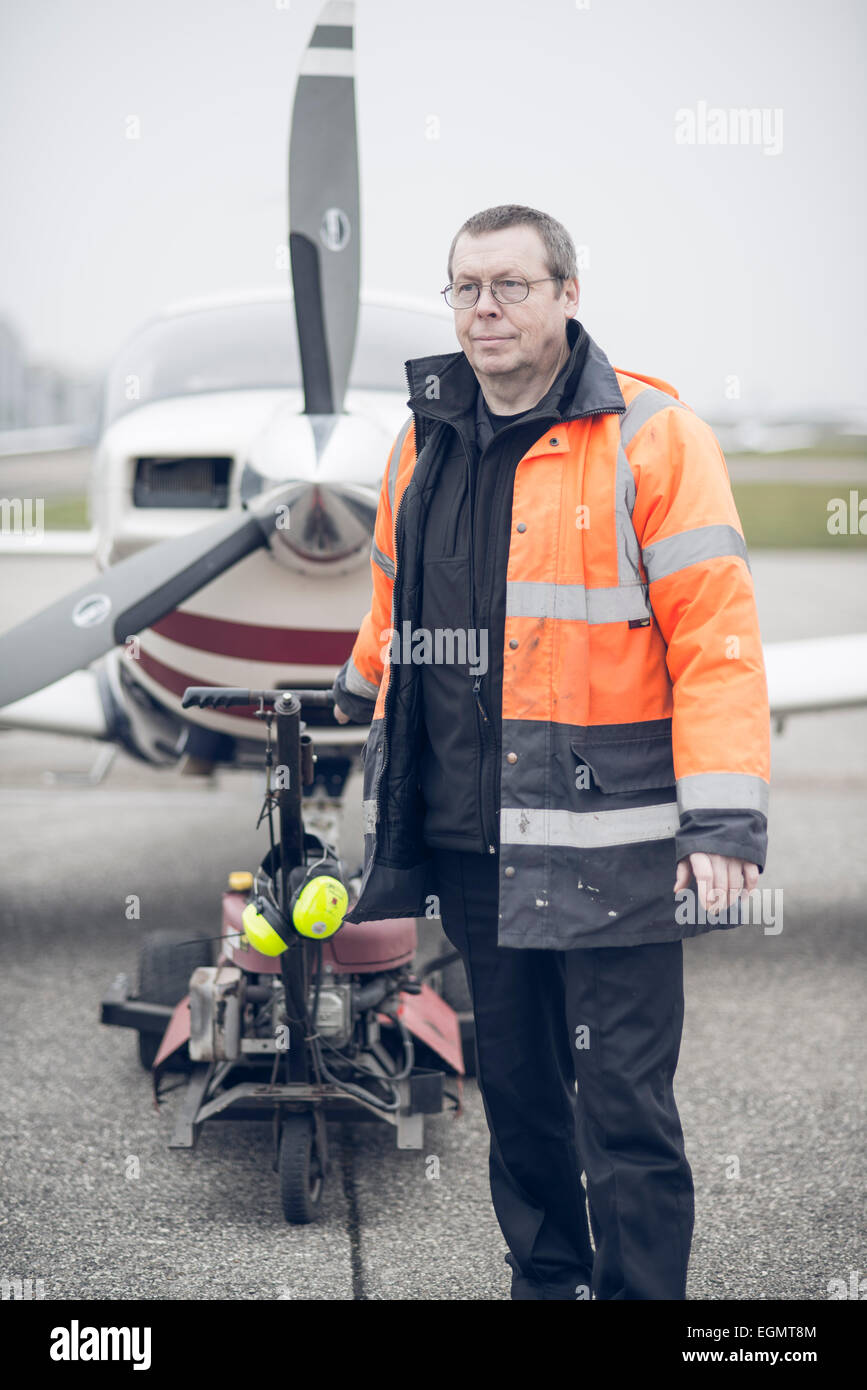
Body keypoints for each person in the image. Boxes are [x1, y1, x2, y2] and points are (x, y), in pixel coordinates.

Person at [331, 204, 770, 1300]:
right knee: (520, 1099)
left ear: (568, 294)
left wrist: (722, 821)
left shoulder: (656, 438)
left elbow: (717, 642)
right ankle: (548, 1280)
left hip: (611, 850)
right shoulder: (419, 437)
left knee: (623, 1107)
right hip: (472, 844)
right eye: (465, 287)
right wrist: (349, 699)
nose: (485, 309)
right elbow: (394, 603)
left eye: (512, 286)